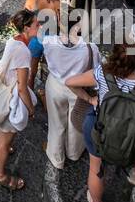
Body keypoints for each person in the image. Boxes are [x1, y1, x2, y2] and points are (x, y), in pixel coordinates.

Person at [66, 44, 135, 202]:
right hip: (131, 136)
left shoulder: (102, 73)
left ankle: (96, 200)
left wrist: (90, 99)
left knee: (96, 169)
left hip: (98, 128)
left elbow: (70, 82)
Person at [0, 9, 39, 191]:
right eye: (36, 24)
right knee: (5, 142)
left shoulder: (13, 40)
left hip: (0, 91)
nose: (39, 26)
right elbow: (22, 88)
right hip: (10, 97)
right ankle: (0, 175)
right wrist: (31, 109)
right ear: (27, 28)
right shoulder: (24, 51)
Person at [41, 15, 98, 170]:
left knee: (55, 123)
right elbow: (95, 71)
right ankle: (74, 152)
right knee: (76, 121)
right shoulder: (89, 47)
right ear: (77, 27)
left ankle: (56, 157)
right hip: (78, 88)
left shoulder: (49, 41)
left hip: (55, 85)